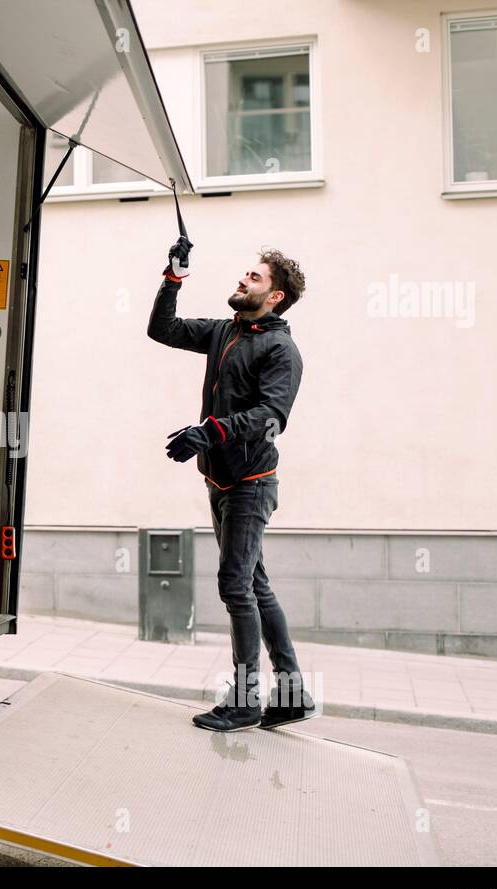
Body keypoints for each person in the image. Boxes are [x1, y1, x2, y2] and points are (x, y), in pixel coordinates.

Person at [148, 237, 316, 732]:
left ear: (275, 296)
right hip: (221, 480)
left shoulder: (281, 350)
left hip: (251, 483)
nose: (243, 279)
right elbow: (163, 329)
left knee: (235, 586)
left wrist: (210, 431)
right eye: (246, 273)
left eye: (255, 277)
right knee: (255, 585)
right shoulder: (225, 331)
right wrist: (172, 278)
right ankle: (292, 694)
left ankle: (244, 702)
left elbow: (271, 416)